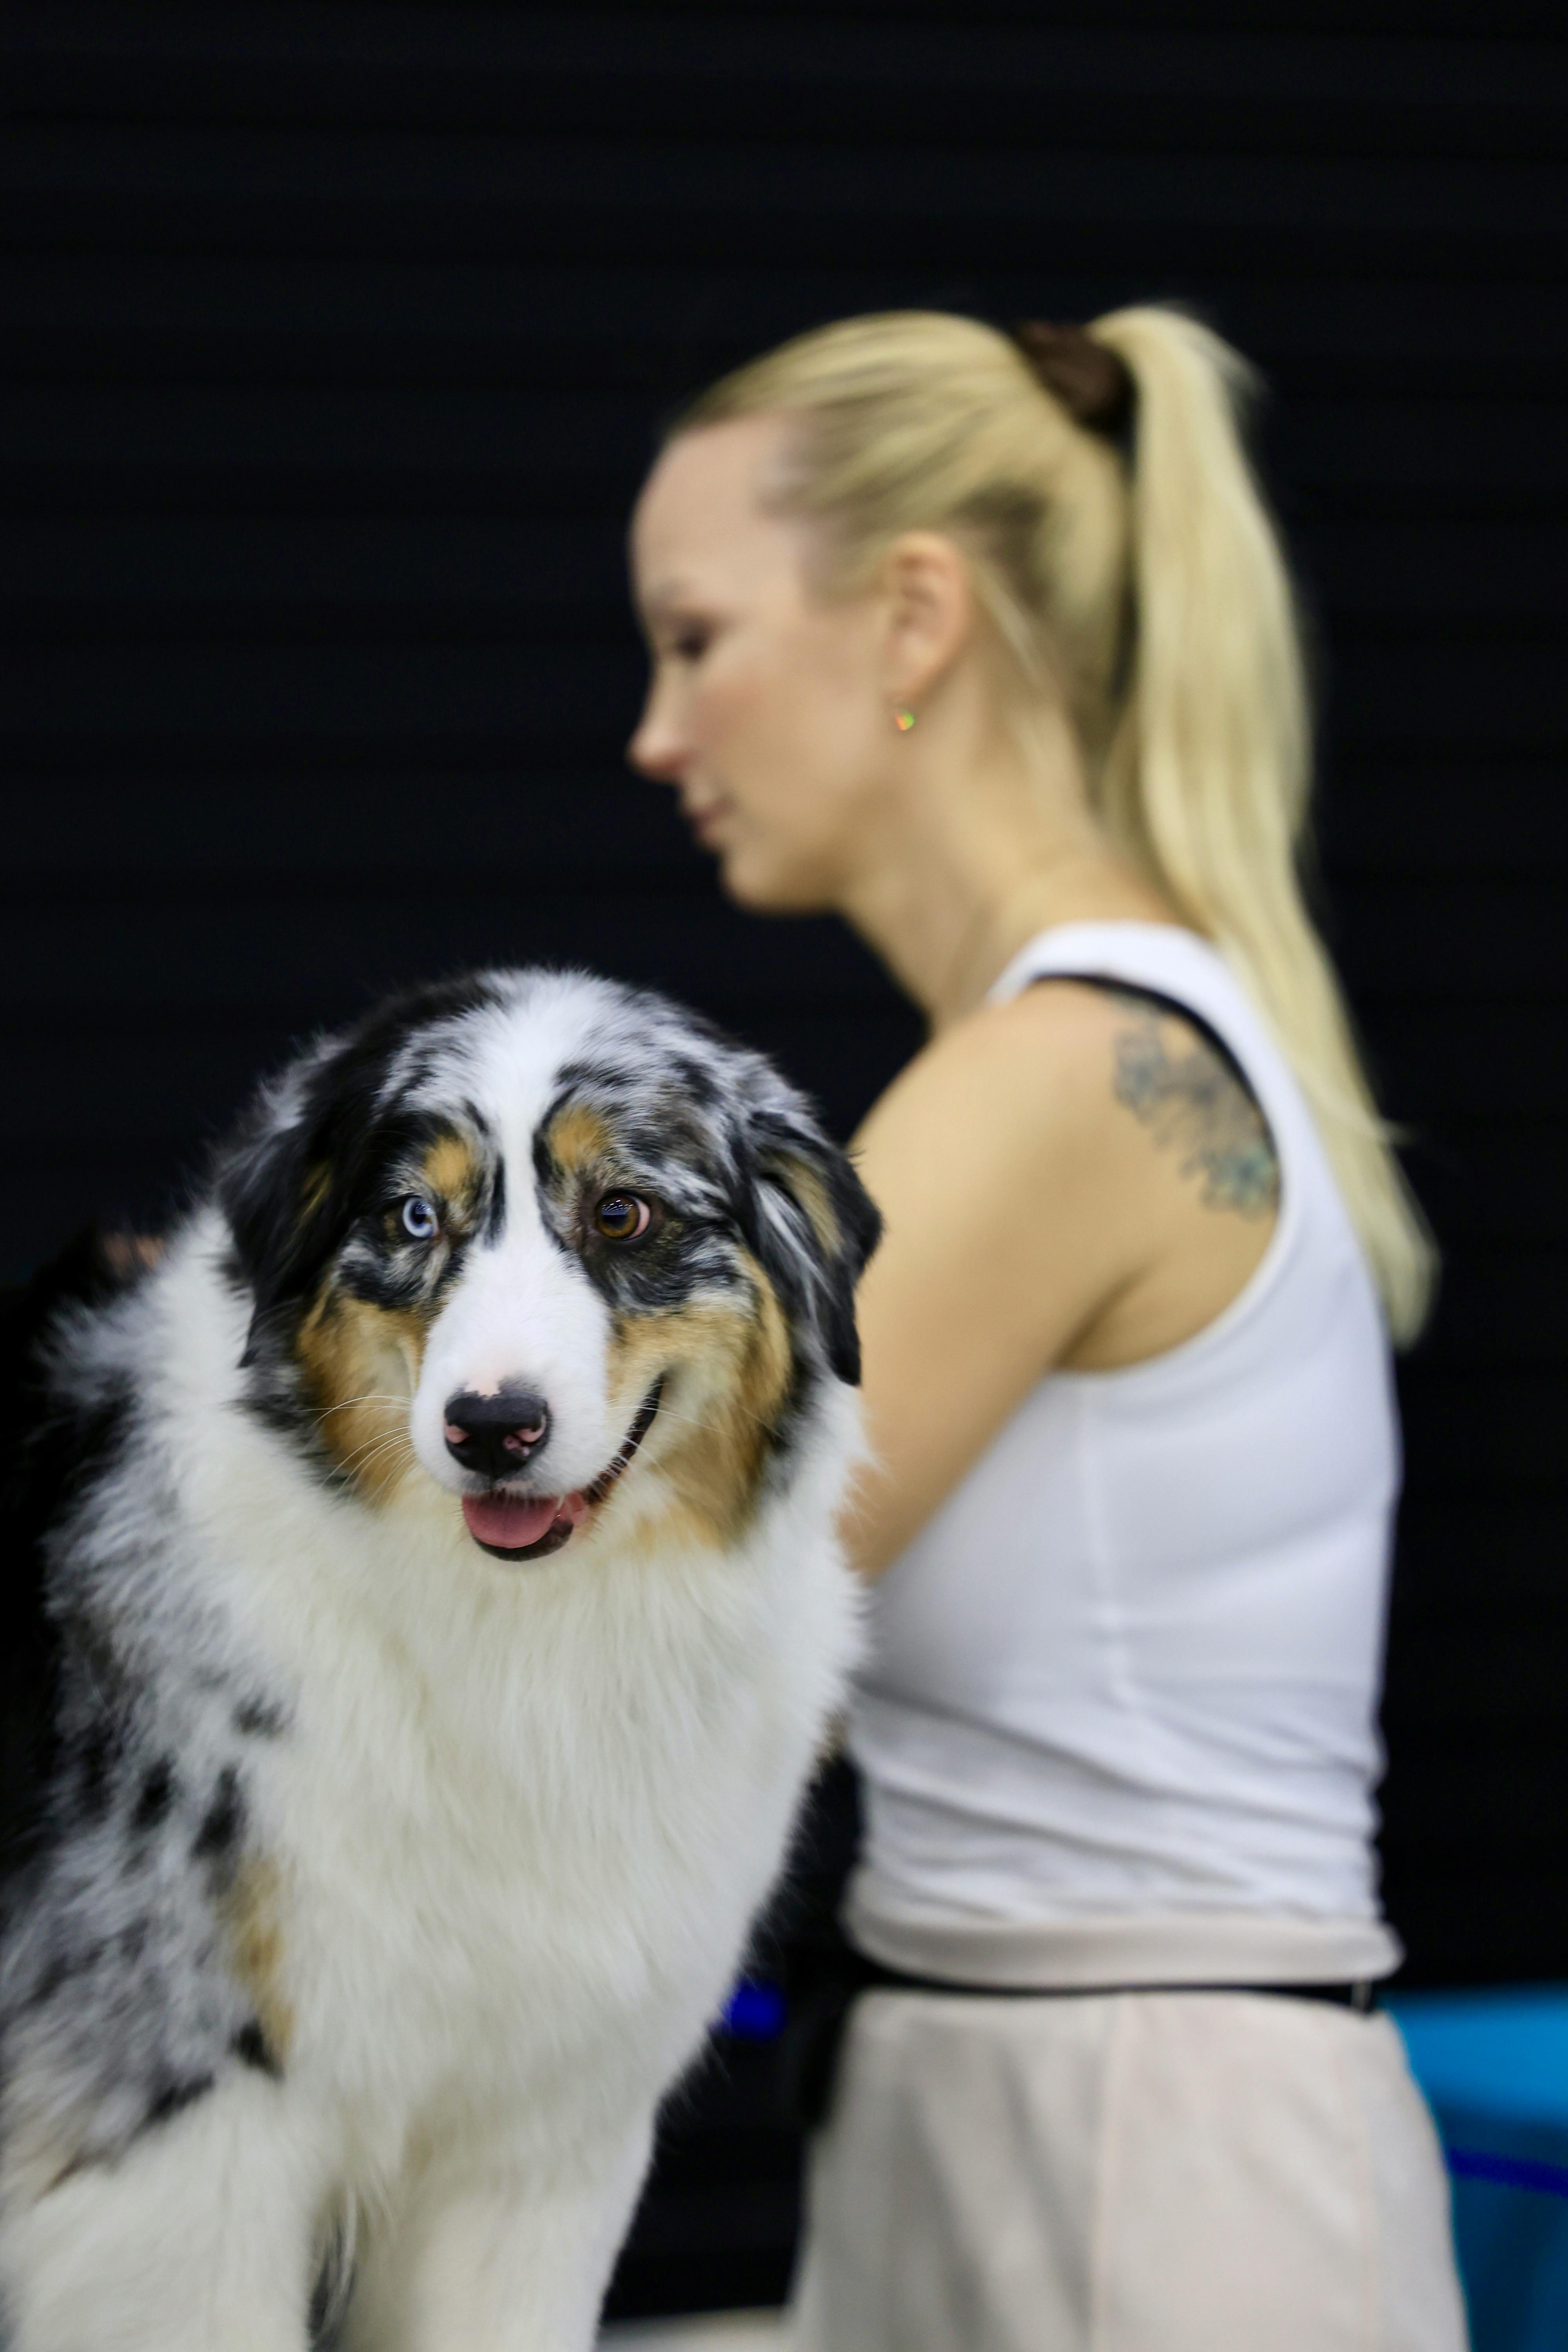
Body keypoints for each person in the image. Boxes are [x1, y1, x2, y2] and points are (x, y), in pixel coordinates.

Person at [627, 308, 1467, 2352]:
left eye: (695, 639)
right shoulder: (1093, 1048)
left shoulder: (1068, 1079)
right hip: (1012, 2119)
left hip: (1145, 2181)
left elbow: (661, 1646)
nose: (656, 736)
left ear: (914, 618)